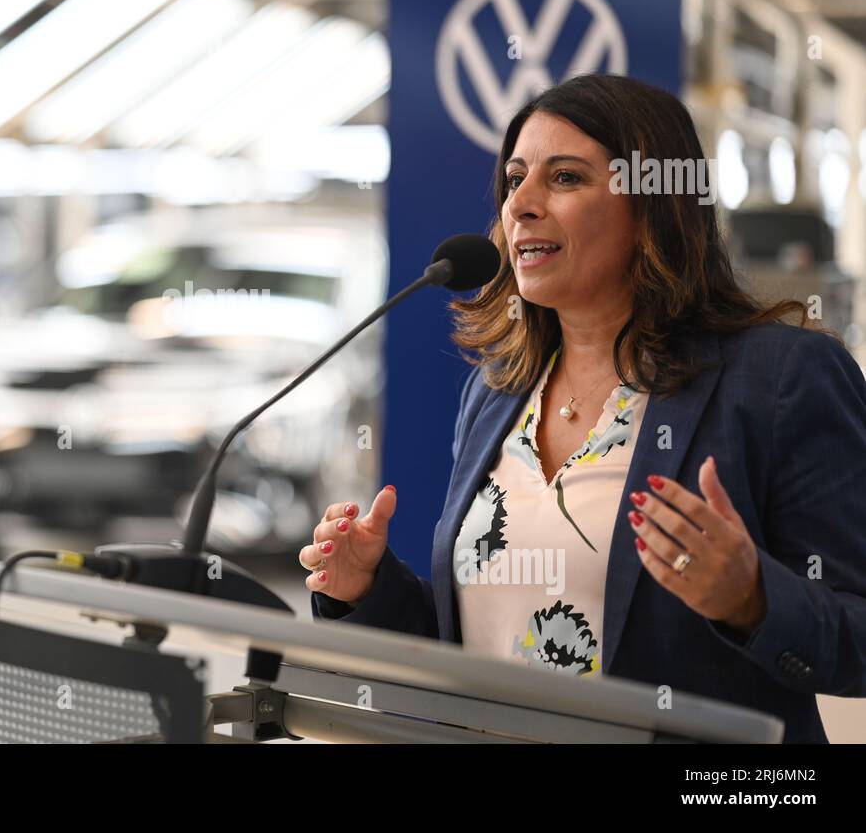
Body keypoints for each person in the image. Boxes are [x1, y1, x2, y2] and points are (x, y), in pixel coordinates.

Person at [303, 73, 866, 743]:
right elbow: (484, 645)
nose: (522, 206)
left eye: (565, 178)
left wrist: (752, 599)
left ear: (655, 205)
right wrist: (366, 590)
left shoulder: (778, 377)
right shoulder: (495, 392)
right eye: (515, 179)